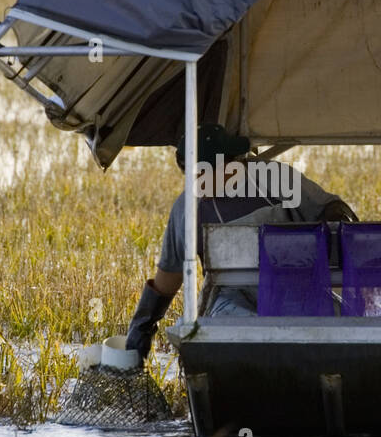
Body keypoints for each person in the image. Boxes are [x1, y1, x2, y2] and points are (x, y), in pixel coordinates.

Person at [124, 125, 355, 358]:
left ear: (232, 164)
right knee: (228, 333)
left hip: (292, 288)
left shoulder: (274, 180)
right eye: (193, 176)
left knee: (343, 323)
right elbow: (169, 276)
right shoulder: (187, 209)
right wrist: (143, 325)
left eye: (205, 173)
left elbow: (330, 208)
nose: (199, 184)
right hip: (231, 298)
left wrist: (332, 234)